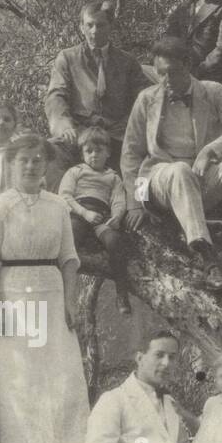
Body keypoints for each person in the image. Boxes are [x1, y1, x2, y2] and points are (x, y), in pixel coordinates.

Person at [120, 35, 222, 293]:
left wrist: (211, 151)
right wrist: (134, 203)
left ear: (188, 65)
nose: (165, 81)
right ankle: (208, 258)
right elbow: (131, 154)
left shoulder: (213, 92)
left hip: (201, 181)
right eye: (160, 73)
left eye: (172, 73)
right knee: (180, 171)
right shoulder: (147, 99)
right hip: (162, 180)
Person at [0, 134, 90, 443]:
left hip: (53, 295)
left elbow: (69, 258)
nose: (31, 165)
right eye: (24, 159)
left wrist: (71, 301)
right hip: (13, 297)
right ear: (11, 164)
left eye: (38, 159)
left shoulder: (58, 205)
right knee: (19, 379)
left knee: (61, 376)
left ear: (46, 164)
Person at [44, 1, 151, 198]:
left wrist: (130, 127)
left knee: (146, 160)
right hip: (78, 133)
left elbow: (144, 99)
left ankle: (140, 211)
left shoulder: (127, 61)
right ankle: (62, 208)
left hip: (116, 136)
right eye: (89, 25)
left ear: (110, 26)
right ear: (81, 27)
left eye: (100, 25)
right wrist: (64, 125)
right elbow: (55, 95)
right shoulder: (67, 58)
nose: (94, 31)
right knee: (48, 152)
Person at [60, 126, 133, 316]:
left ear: (108, 152)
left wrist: (116, 217)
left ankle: (122, 294)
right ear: (82, 153)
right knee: (71, 243)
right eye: (88, 151)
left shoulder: (113, 177)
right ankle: (64, 296)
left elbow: (118, 200)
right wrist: (84, 213)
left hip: (101, 217)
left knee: (115, 242)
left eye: (98, 151)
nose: (94, 155)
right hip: (78, 213)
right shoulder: (76, 171)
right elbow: (65, 196)